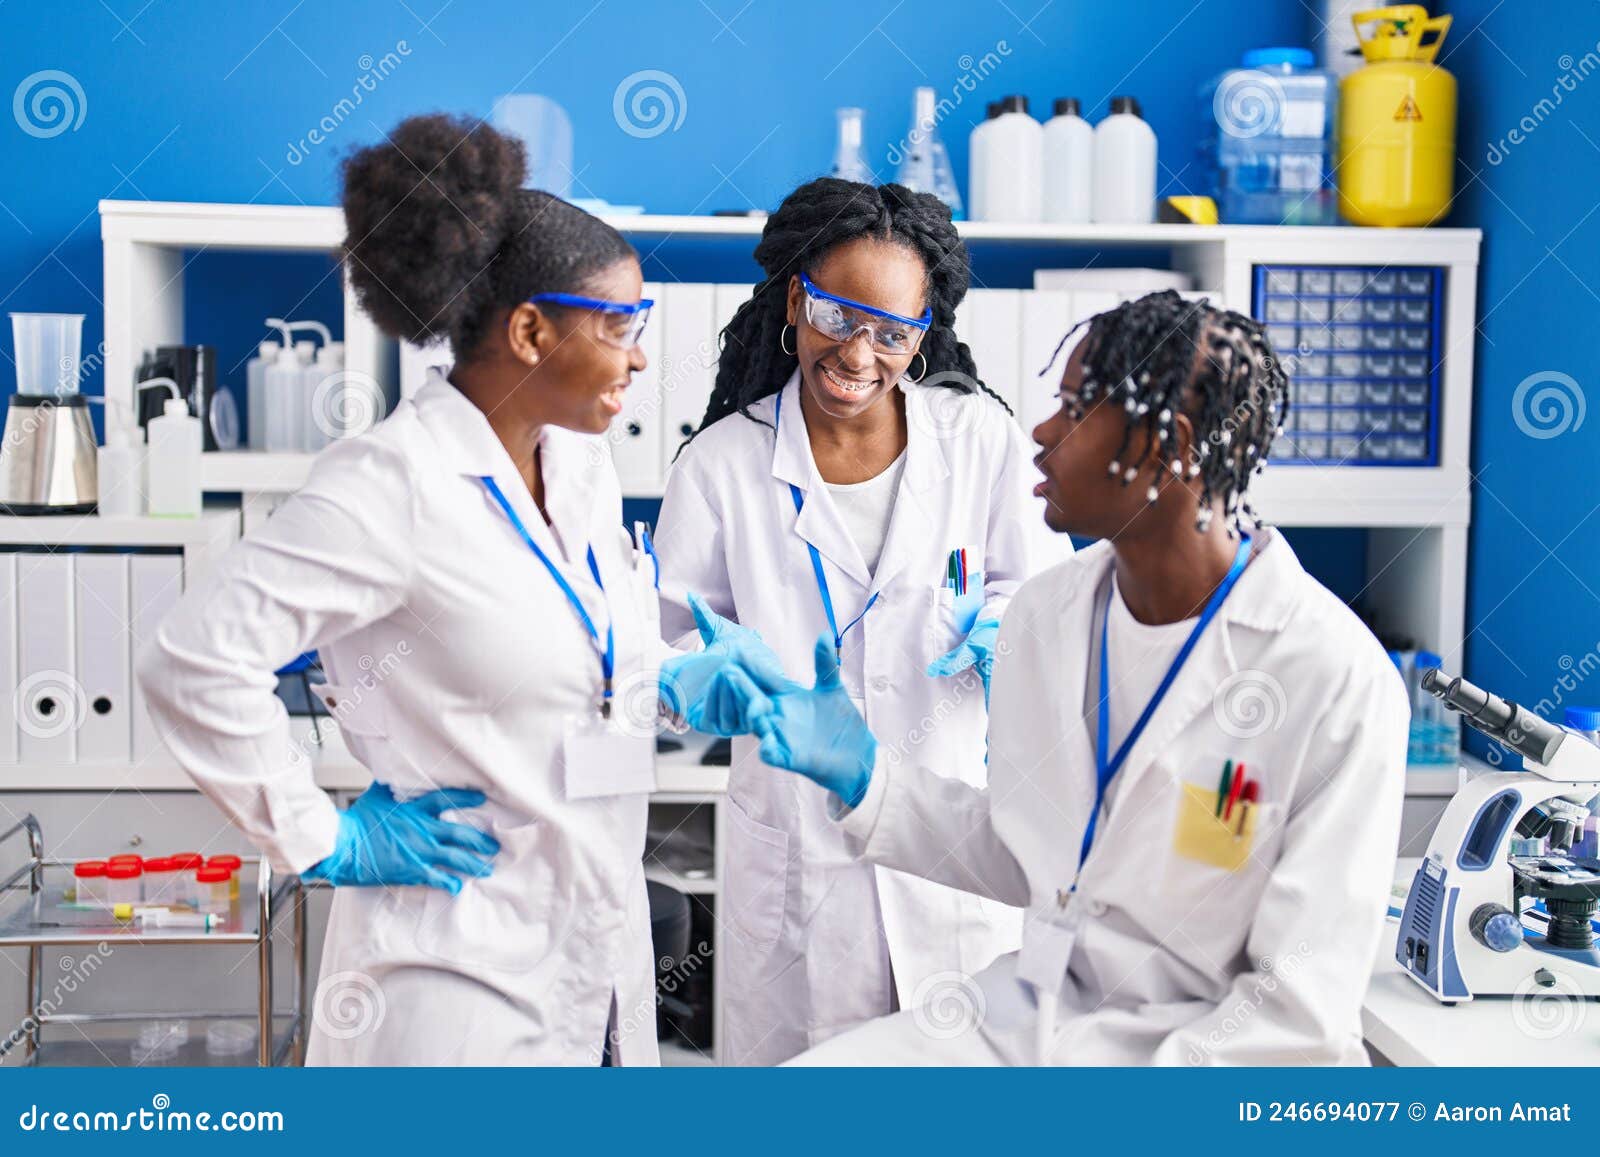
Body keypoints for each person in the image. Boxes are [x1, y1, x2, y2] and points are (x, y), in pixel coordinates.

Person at [137, 114, 756, 1066]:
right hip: (449, 979)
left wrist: (671, 677)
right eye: (620, 325)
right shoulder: (391, 483)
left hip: (594, 964)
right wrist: (323, 835)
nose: (638, 356)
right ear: (531, 329)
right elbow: (191, 659)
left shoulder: (581, 470)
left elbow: (575, 652)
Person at [730, 290, 1409, 1064]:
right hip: (1029, 1011)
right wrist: (866, 774)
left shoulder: (1331, 679)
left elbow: (1295, 1015)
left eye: (1078, 409)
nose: (1042, 435)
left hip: (1193, 1058)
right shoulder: (1048, 614)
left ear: (1171, 445)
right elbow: (1032, 851)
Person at [651, 177, 1065, 1065]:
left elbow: (1037, 596)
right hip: (800, 859)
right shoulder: (722, 466)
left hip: (952, 848)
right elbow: (664, 653)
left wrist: (1007, 629)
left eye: (893, 332)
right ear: (798, 300)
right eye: (841, 316)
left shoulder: (978, 439)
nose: (861, 352)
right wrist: (694, 680)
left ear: (923, 334)